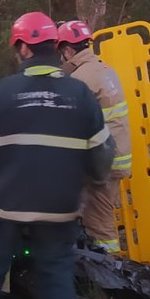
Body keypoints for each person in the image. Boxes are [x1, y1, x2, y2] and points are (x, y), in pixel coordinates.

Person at [0, 12, 113, 299]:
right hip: (59, 204)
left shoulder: (4, 92)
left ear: (24, 49)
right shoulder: (80, 94)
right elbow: (102, 154)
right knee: (56, 267)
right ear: (55, 47)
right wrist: (93, 182)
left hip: (4, 202)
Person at [57, 20, 133, 253]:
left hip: (103, 163)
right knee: (100, 213)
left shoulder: (80, 80)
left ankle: (109, 275)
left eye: (61, 53)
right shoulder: (104, 69)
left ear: (68, 50)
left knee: (99, 223)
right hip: (116, 156)